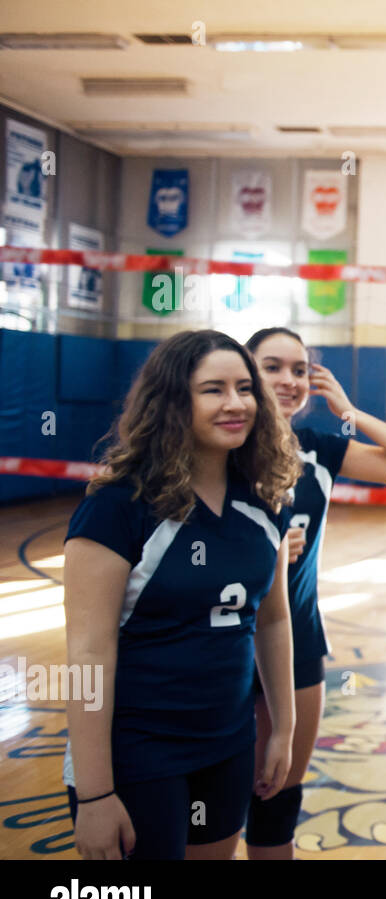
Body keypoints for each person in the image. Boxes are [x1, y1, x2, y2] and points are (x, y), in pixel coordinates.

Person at [62, 329, 299, 860]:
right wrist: (97, 792)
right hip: (136, 748)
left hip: (227, 742)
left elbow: (273, 621)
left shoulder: (264, 505)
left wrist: (283, 727)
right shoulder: (117, 508)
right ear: (174, 400)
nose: (236, 403)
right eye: (213, 389)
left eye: (245, 388)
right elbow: (86, 655)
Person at [242, 327, 386, 859]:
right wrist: (263, 548)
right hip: (222, 651)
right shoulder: (218, 452)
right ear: (243, 369)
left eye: (299, 370)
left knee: (276, 802)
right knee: (210, 807)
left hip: (296, 644)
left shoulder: (319, 451)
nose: (288, 379)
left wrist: (348, 411)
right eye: (272, 366)